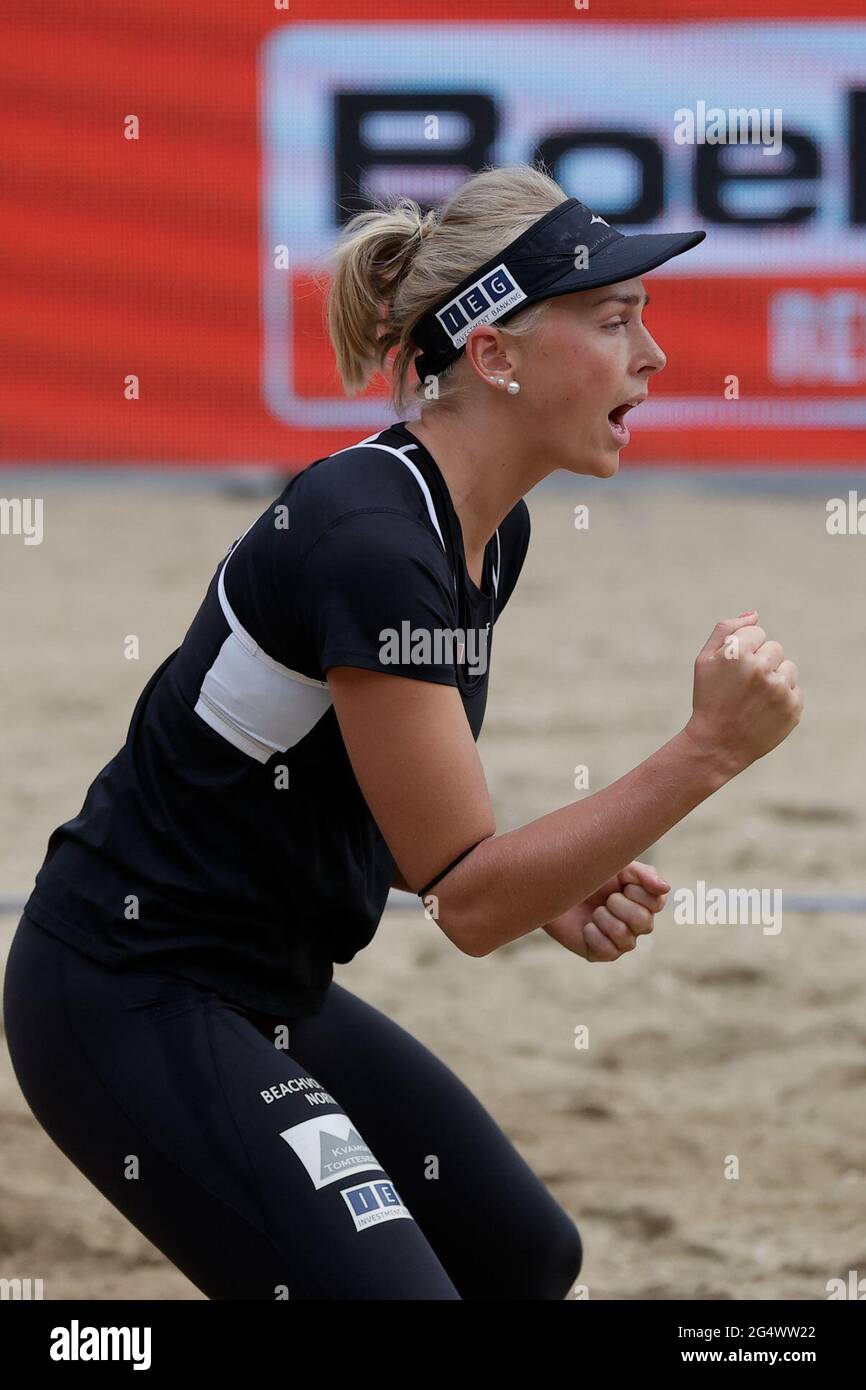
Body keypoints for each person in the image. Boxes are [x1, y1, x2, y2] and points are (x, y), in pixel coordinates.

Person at [2, 163, 803, 1301]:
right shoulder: (369, 540)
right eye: (614, 318)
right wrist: (705, 752)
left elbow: (385, 809)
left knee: (520, 1258)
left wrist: (552, 879)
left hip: (266, 986)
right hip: (127, 991)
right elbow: (469, 902)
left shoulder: (484, 528)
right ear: (493, 354)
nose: (653, 354)